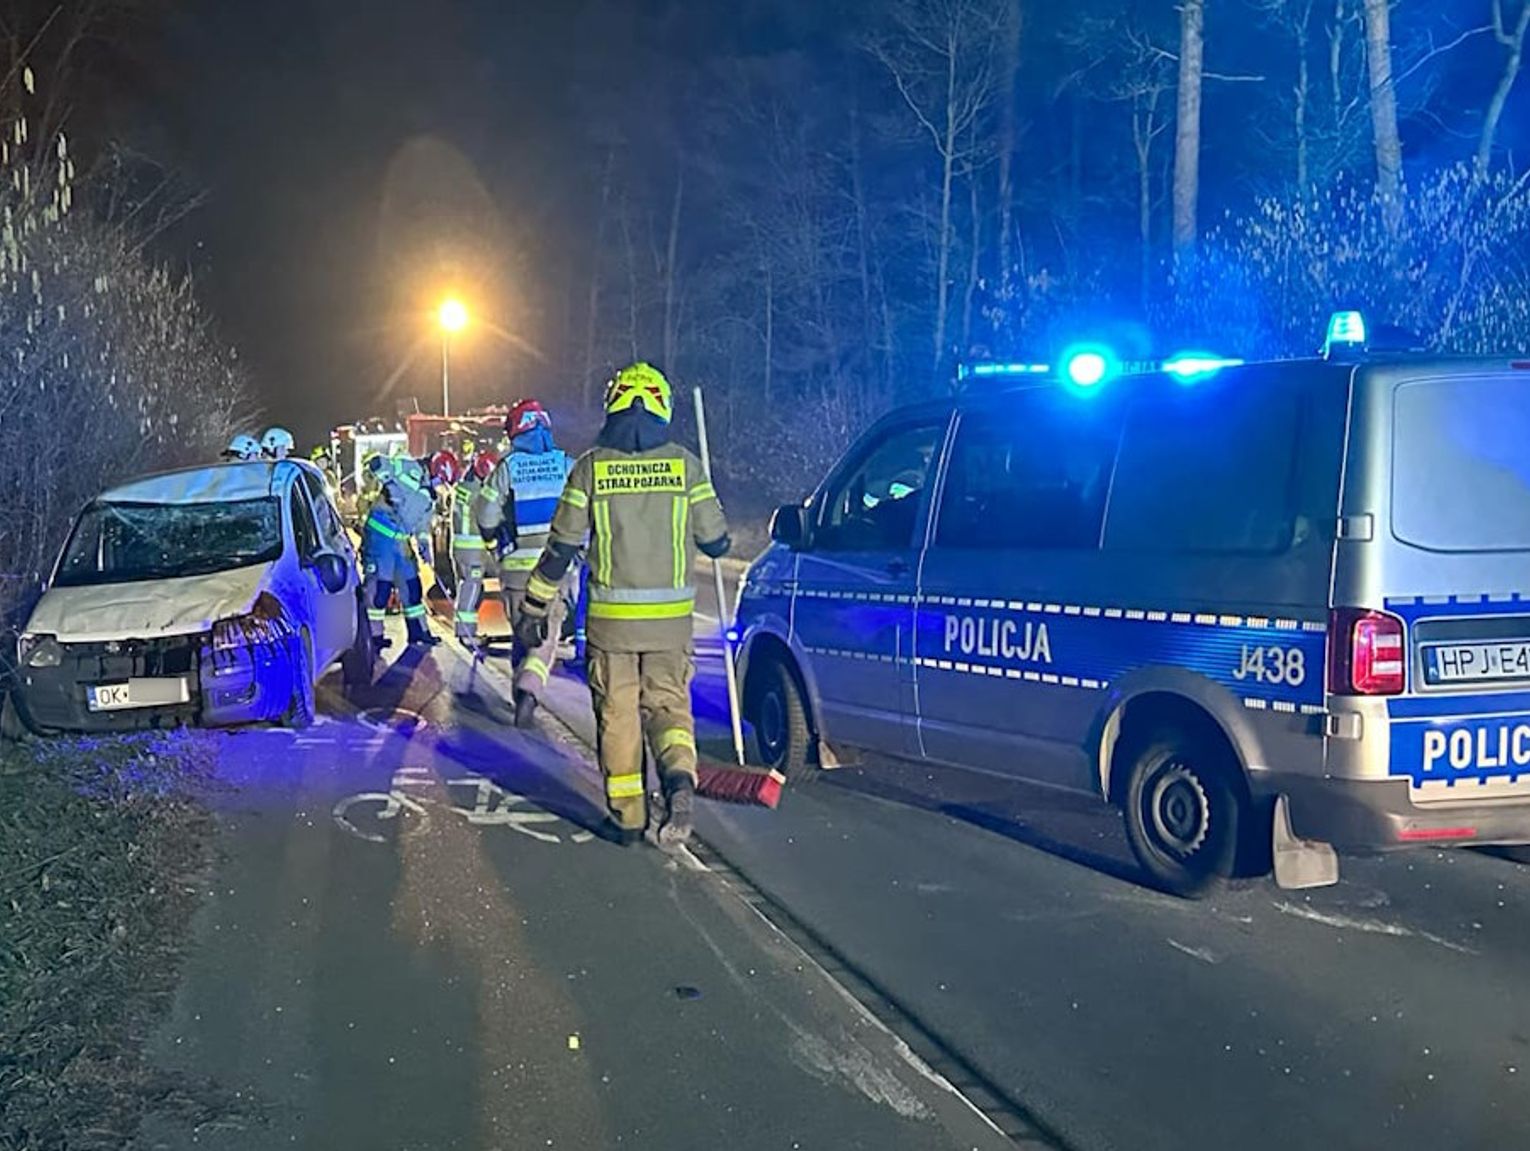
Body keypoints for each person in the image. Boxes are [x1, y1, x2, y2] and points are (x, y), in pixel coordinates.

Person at [516, 363, 729, 846]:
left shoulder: (591, 467)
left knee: (618, 717)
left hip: (612, 627)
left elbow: (561, 549)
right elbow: (717, 541)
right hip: (670, 628)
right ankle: (677, 780)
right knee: (670, 709)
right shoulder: (685, 466)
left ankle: (628, 819)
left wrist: (535, 605)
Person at [478, 398, 574, 726]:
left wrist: (493, 545)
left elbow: (486, 511)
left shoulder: (509, 466)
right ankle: (530, 689)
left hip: (516, 571)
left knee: (522, 631)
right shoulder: (566, 465)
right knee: (547, 636)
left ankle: (520, 688)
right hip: (554, 568)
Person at [361, 454, 439, 648]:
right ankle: (374, 635)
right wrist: (389, 485)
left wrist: (424, 545)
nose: (439, 483)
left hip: (402, 542)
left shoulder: (428, 496)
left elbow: (422, 525)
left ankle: (418, 632)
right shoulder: (406, 465)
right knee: (380, 589)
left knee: (412, 588)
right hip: (381, 538)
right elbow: (377, 462)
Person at [450, 450, 497, 648]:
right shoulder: (480, 493)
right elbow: (489, 517)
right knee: (471, 589)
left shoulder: (463, 486)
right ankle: (466, 634)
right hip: (474, 549)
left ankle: (465, 630)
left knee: (466, 587)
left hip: (459, 547)